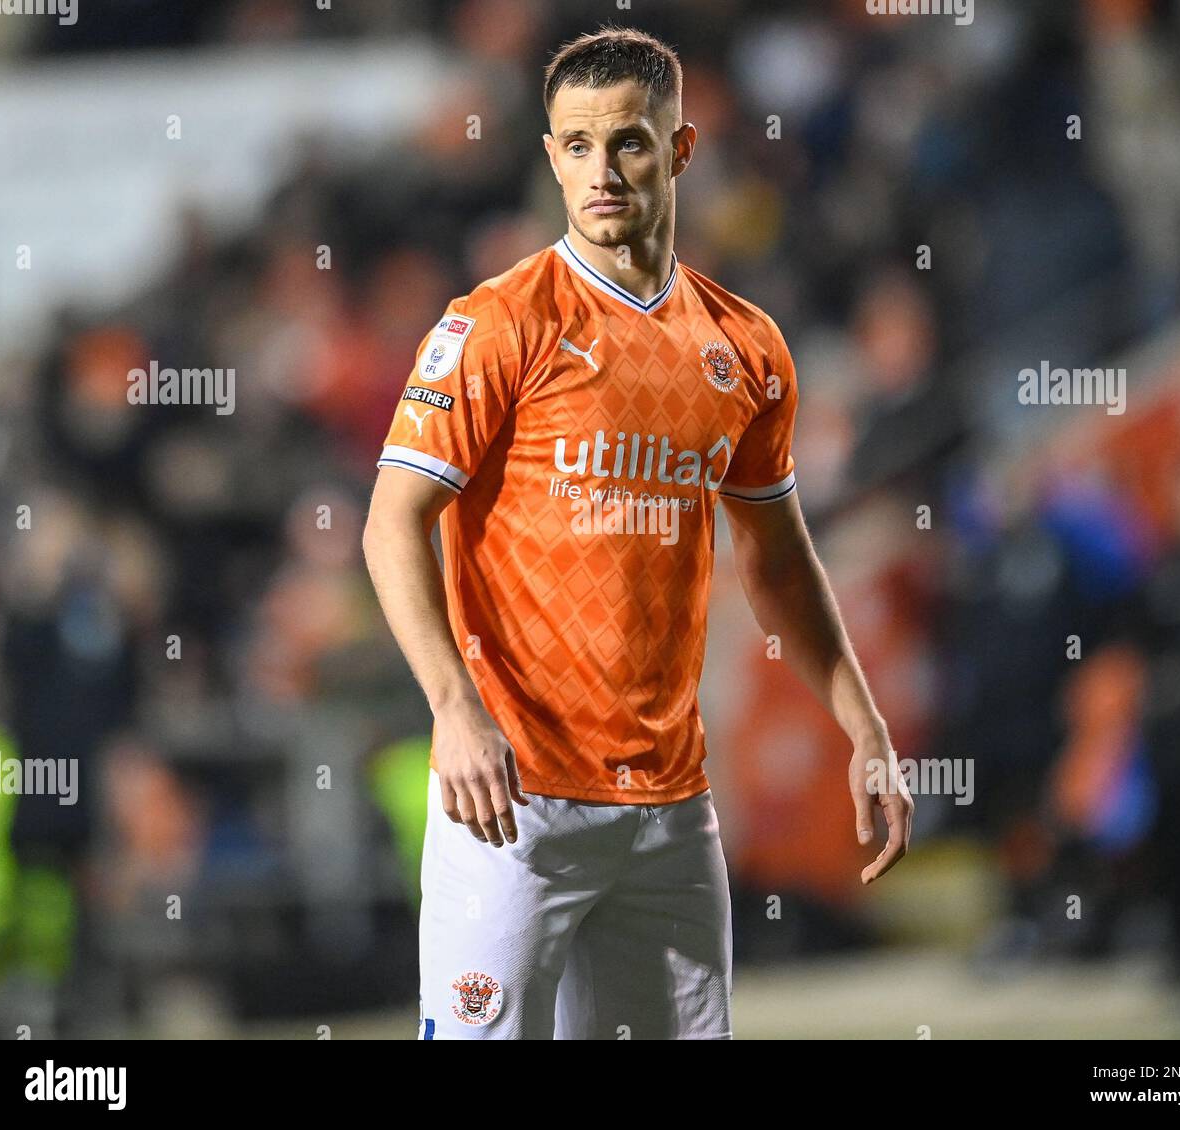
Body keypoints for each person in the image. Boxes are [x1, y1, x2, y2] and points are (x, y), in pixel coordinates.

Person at [362, 24, 913, 1040]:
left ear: (681, 150)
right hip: (512, 802)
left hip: (668, 808)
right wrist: (452, 704)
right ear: (548, 157)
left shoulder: (743, 348)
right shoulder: (498, 324)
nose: (600, 170)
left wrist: (863, 724)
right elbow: (391, 520)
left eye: (627, 142)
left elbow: (779, 560)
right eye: (575, 145)